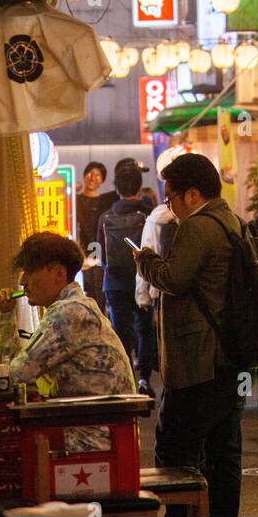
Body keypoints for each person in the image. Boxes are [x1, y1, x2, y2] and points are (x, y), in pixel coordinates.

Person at [135, 152, 245, 517]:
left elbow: (174, 279)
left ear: (193, 194)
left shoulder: (198, 227)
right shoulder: (232, 221)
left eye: (171, 197)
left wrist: (146, 261)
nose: (170, 206)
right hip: (228, 356)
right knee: (222, 452)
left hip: (198, 359)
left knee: (176, 451)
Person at [0, 231, 134, 453]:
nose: (22, 281)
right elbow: (17, 373)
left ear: (59, 274)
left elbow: (15, 375)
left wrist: (3, 323)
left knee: (6, 446)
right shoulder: (77, 306)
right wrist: (5, 316)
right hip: (103, 435)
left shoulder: (68, 313)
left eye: (29, 271)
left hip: (92, 442)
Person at [98, 161, 155, 397]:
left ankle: (127, 380)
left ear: (117, 188)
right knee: (145, 330)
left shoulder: (106, 216)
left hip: (114, 282)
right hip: (142, 279)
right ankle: (144, 379)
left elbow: (101, 253)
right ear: (139, 186)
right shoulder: (148, 213)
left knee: (121, 331)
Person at [76, 161, 115, 306]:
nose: (93, 178)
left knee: (99, 294)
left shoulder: (106, 201)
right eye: (90, 173)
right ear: (84, 176)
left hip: (99, 252)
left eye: (98, 175)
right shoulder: (76, 199)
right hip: (81, 249)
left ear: (103, 180)